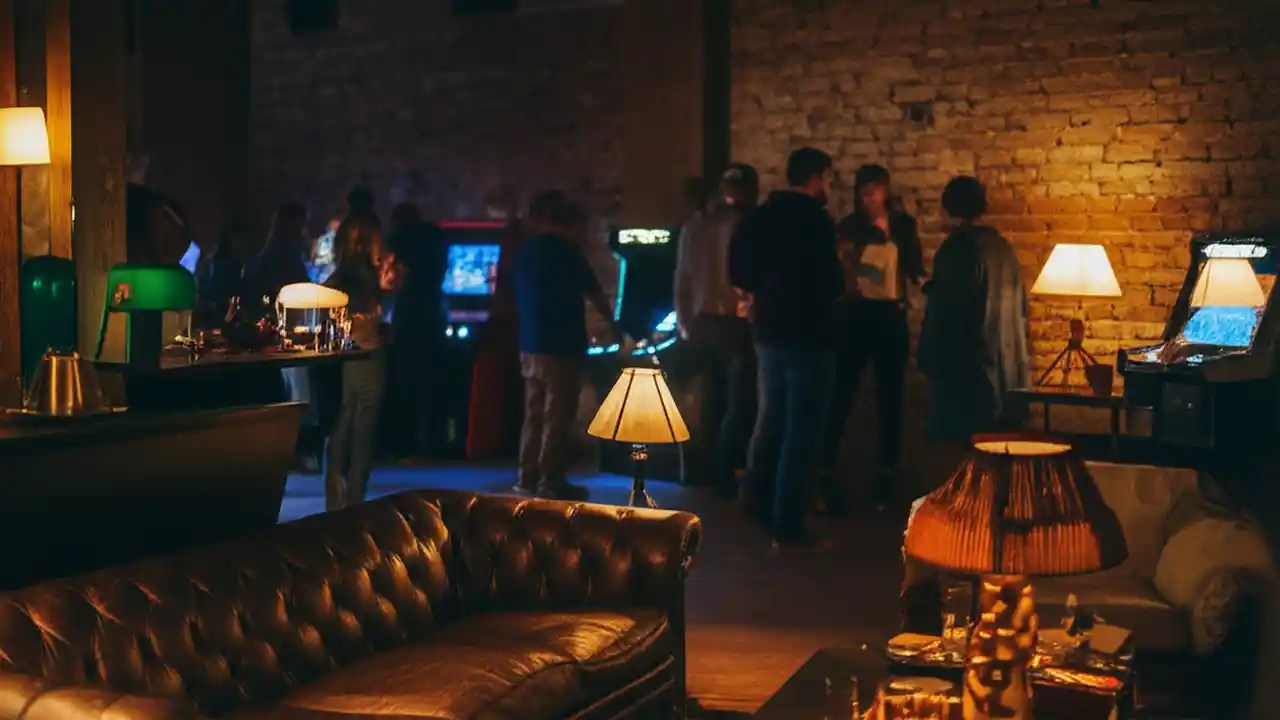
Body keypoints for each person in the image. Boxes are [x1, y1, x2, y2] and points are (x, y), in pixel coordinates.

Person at [730, 147, 844, 552]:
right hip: (809, 332)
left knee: (771, 417)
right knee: (803, 429)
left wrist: (762, 294)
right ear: (815, 178)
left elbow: (737, 272)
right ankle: (789, 525)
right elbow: (832, 282)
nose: (827, 187)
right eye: (827, 179)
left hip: (767, 330)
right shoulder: (815, 221)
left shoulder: (759, 218)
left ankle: (756, 500)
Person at [819, 164, 926, 513]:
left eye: (874, 192)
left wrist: (892, 239)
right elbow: (837, 270)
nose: (868, 199)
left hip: (889, 315)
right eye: (863, 193)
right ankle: (826, 467)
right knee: (842, 390)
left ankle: (887, 472)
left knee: (890, 396)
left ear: (885, 191)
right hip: (855, 315)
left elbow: (915, 267)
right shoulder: (848, 226)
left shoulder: (903, 225)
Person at [514, 191, 621, 500]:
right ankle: (551, 480)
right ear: (570, 224)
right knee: (557, 417)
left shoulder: (527, 252)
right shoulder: (567, 252)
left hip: (529, 344)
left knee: (533, 414)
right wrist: (614, 327)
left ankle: (526, 476)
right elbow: (596, 294)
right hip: (561, 345)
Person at [919, 176, 1029, 444]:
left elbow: (946, 316)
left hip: (969, 381)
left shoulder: (957, 249)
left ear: (948, 207)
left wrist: (929, 359)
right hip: (1007, 384)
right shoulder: (1003, 249)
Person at [674, 163, 760, 499]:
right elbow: (744, 277)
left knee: (712, 399)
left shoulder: (695, 225)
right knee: (739, 402)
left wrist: (685, 323)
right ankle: (728, 473)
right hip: (733, 322)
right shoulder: (743, 224)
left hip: (701, 322)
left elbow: (681, 277)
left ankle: (707, 469)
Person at [324, 215, 394, 510]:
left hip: (351, 353)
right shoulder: (365, 276)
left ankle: (337, 498)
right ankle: (354, 501)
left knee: (348, 415)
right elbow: (374, 315)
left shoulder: (343, 273)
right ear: (366, 242)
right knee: (364, 425)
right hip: (368, 352)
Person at [382, 202, 447, 458]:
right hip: (434, 314)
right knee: (434, 383)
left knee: (405, 384)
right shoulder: (436, 237)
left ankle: (406, 445)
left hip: (408, 316)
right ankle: (435, 443)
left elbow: (392, 282)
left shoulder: (399, 241)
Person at [195, 218, 250, 329]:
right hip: (214, 319)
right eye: (240, 239)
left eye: (245, 239)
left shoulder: (240, 263)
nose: (243, 244)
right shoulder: (214, 264)